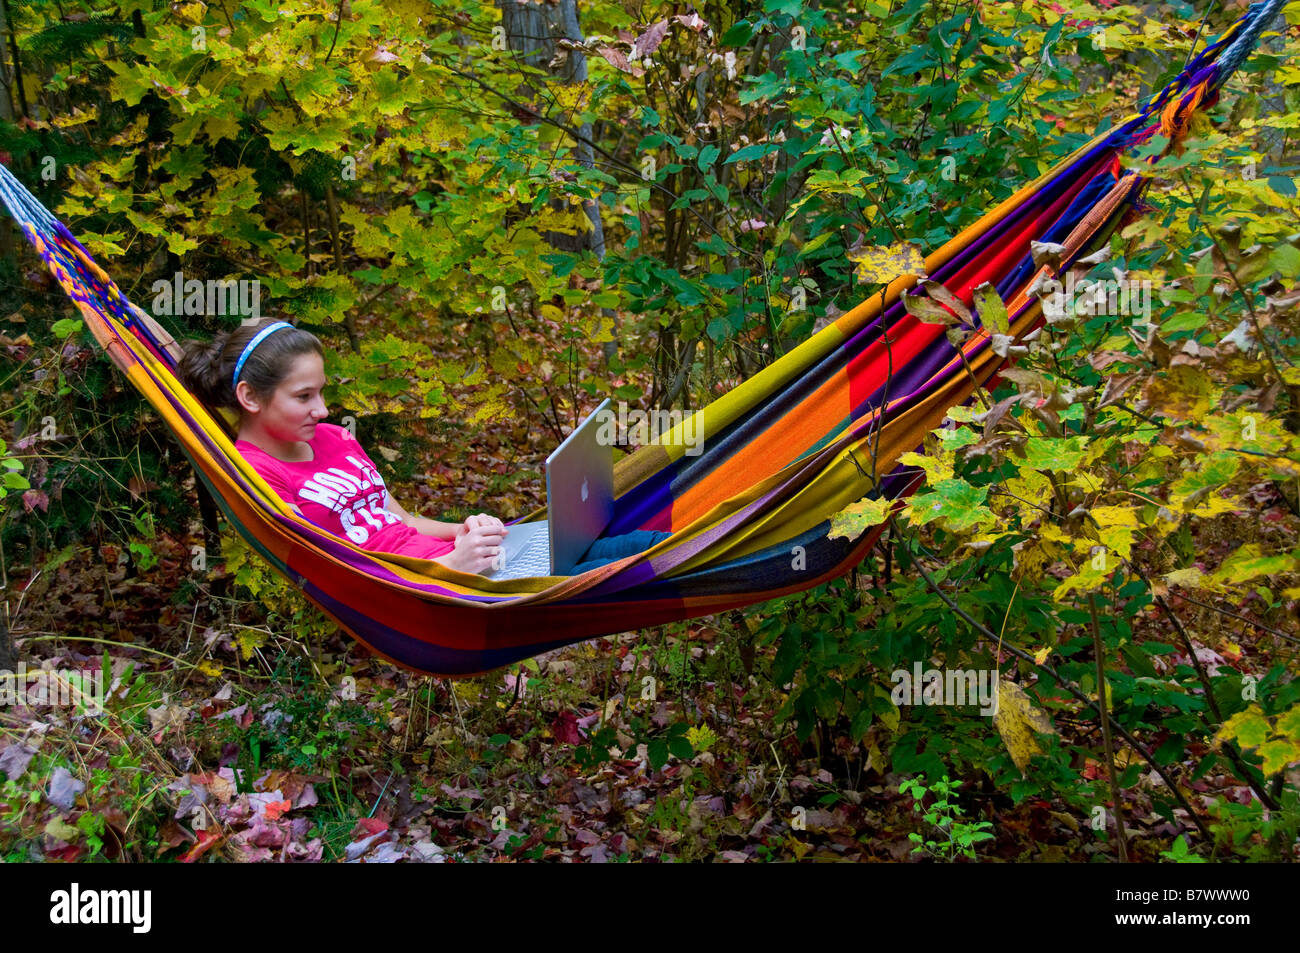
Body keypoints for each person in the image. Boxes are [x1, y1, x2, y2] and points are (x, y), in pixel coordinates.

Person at [177, 318, 669, 576]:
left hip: (455, 563)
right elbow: (340, 573)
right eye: (304, 396)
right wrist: (450, 568)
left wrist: (467, 530)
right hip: (432, 590)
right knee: (643, 564)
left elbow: (403, 521)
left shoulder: (333, 438)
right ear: (250, 398)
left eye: (322, 392)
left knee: (650, 545)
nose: (323, 409)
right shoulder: (257, 474)